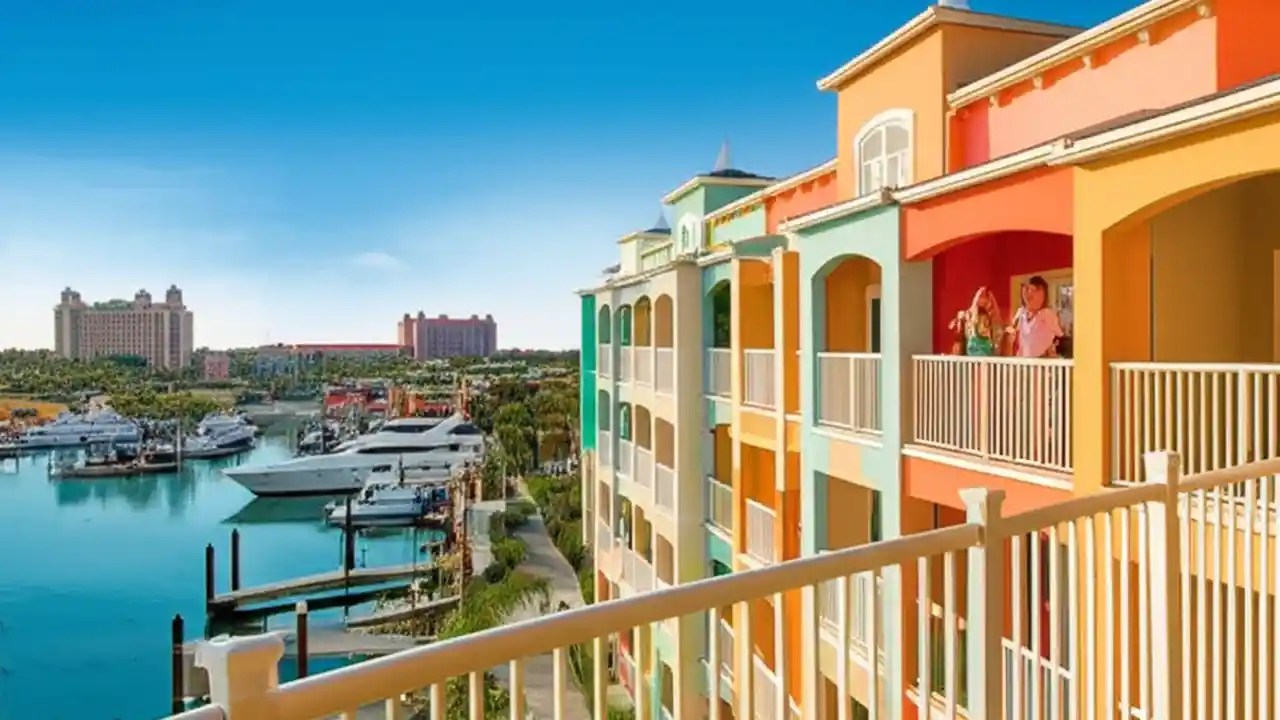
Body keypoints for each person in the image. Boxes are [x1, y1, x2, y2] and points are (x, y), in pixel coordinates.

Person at [1009, 276, 1065, 358]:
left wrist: (1051, 351)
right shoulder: (1021, 313)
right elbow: (1012, 337)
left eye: (1037, 289)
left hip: (1042, 366)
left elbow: (1060, 338)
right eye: (1026, 289)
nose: (1030, 292)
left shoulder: (1047, 314)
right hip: (1022, 364)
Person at [948, 287, 1004, 356]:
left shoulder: (994, 322)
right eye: (981, 297)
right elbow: (953, 327)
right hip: (971, 359)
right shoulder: (969, 318)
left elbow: (997, 342)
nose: (984, 300)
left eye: (986, 298)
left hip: (989, 358)